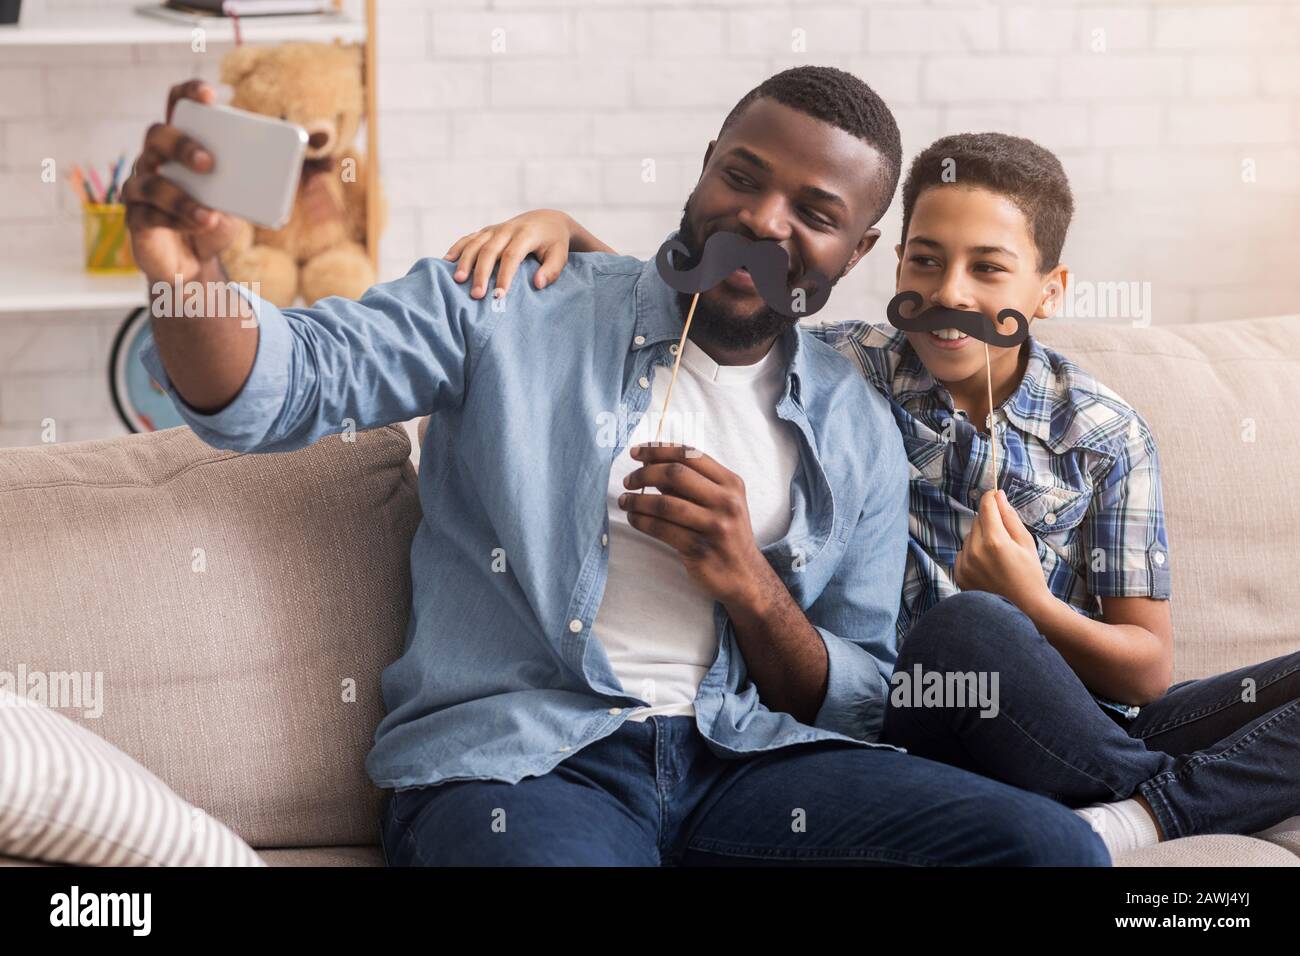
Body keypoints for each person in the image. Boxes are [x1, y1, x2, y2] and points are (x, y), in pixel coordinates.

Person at [121, 68, 1111, 867]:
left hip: (747, 766)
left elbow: (856, 689)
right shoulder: (513, 298)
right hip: (526, 767)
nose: (763, 220)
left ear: (855, 249)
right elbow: (282, 390)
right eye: (742, 174)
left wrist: (749, 583)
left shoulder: (852, 421)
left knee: (1052, 848)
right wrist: (188, 277)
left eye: (811, 211)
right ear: (702, 170)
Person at [444, 131, 1300, 861]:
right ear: (891, 262)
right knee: (968, 626)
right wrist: (564, 229)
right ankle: (1198, 796)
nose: (950, 295)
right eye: (926, 260)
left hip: (1092, 734)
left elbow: (1147, 671)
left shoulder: (1104, 434)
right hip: (927, 714)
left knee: (1004, 624)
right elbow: (703, 301)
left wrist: (1033, 603)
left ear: (1050, 290)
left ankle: (1143, 813)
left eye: (988, 269)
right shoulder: (843, 371)